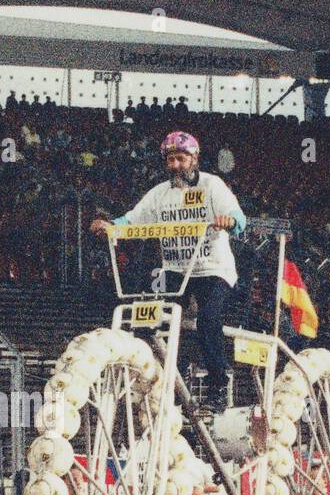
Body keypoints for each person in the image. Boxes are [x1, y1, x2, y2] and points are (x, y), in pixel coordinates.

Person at [90, 130, 247, 407]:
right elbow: (131, 220)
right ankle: (171, 375)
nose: (176, 165)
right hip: (175, 269)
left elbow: (238, 218)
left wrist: (229, 221)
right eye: (171, 159)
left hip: (213, 268)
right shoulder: (159, 194)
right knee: (158, 321)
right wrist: (109, 226)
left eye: (182, 158)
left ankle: (218, 383)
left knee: (208, 319)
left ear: (194, 158)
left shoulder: (212, 185)